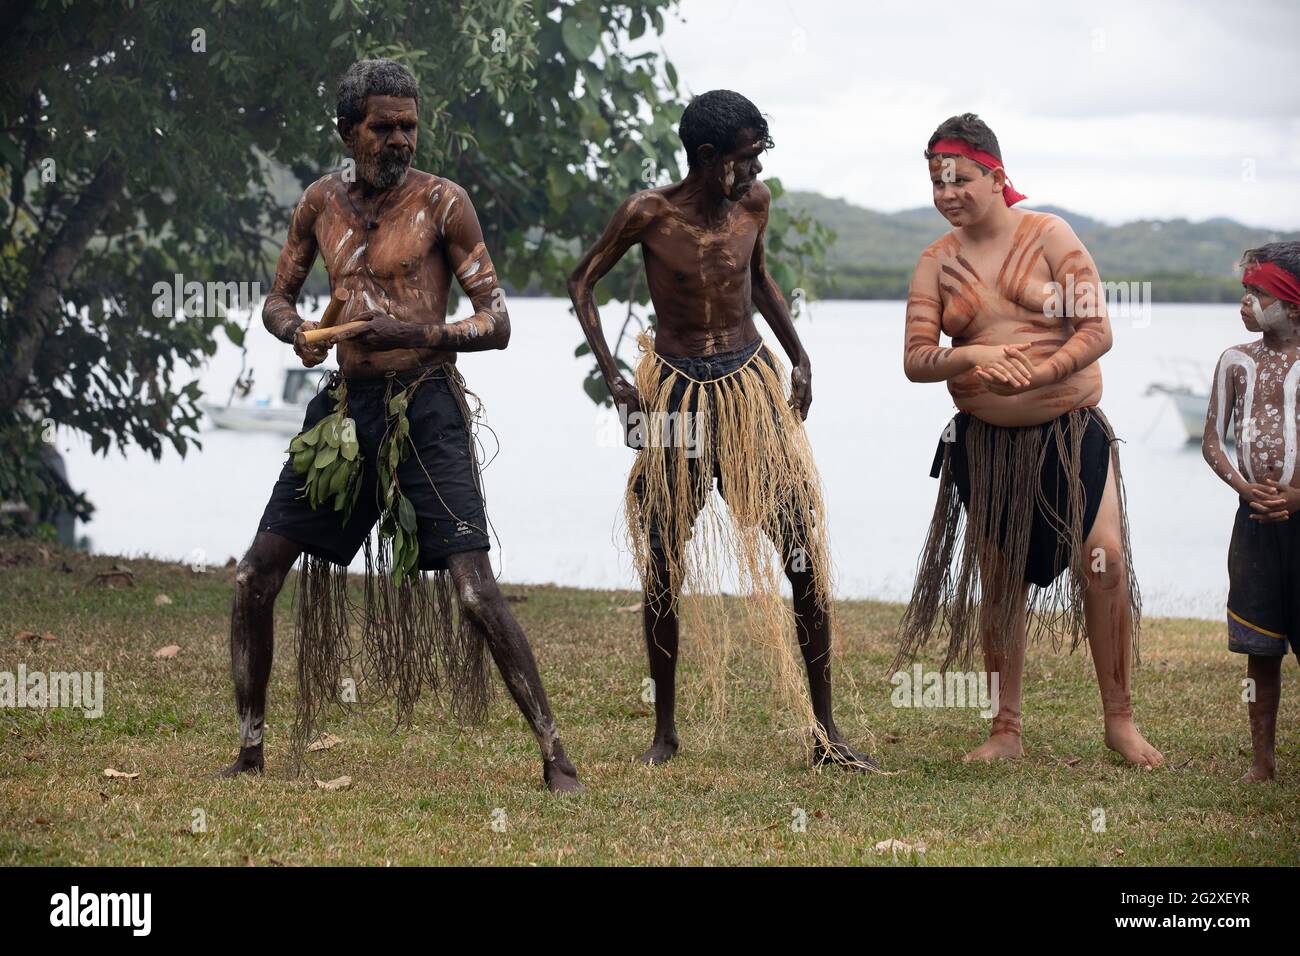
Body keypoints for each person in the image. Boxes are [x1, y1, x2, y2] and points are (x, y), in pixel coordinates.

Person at [223, 58, 580, 792]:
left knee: (476, 591)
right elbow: (277, 298)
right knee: (254, 578)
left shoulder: (445, 204)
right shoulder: (320, 202)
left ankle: (555, 755)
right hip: (344, 413)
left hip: (428, 405)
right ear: (347, 130)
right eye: (384, 128)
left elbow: (499, 322)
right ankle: (250, 750)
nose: (400, 141)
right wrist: (297, 330)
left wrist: (419, 335)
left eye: (409, 128)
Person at [568, 90, 873, 769]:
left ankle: (826, 732)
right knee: (663, 559)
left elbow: (759, 281)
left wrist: (799, 355)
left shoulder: (754, 206)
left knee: (800, 551)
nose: (755, 172)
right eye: (744, 159)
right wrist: (617, 378)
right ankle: (664, 733)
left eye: (759, 156)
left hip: (747, 390)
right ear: (706, 158)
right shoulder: (648, 214)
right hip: (674, 397)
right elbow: (581, 281)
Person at [895, 112, 1162, 767]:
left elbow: (1096, 331)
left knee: (1106, 562)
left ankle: (1120, 722)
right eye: (936, 183)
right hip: (987, 444)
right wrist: (971, 361)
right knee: (1001, 581)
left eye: (959, 179)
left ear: (994, 175)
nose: (947, 194)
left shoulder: (1048, 235)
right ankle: (1006, 729)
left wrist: (1036, 373)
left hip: (1071, 435)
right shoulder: (936, 262)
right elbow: (916, 358)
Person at [1202, 241, 1300, 782]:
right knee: (1260, 647)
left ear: (1293, 305)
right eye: (1245, 292)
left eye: (1260, 294)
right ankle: (1262, 760)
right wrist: (1246, 488)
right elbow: (1214, 441)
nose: (1247, 303)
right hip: (1256, 523)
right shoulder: (1235, 360)